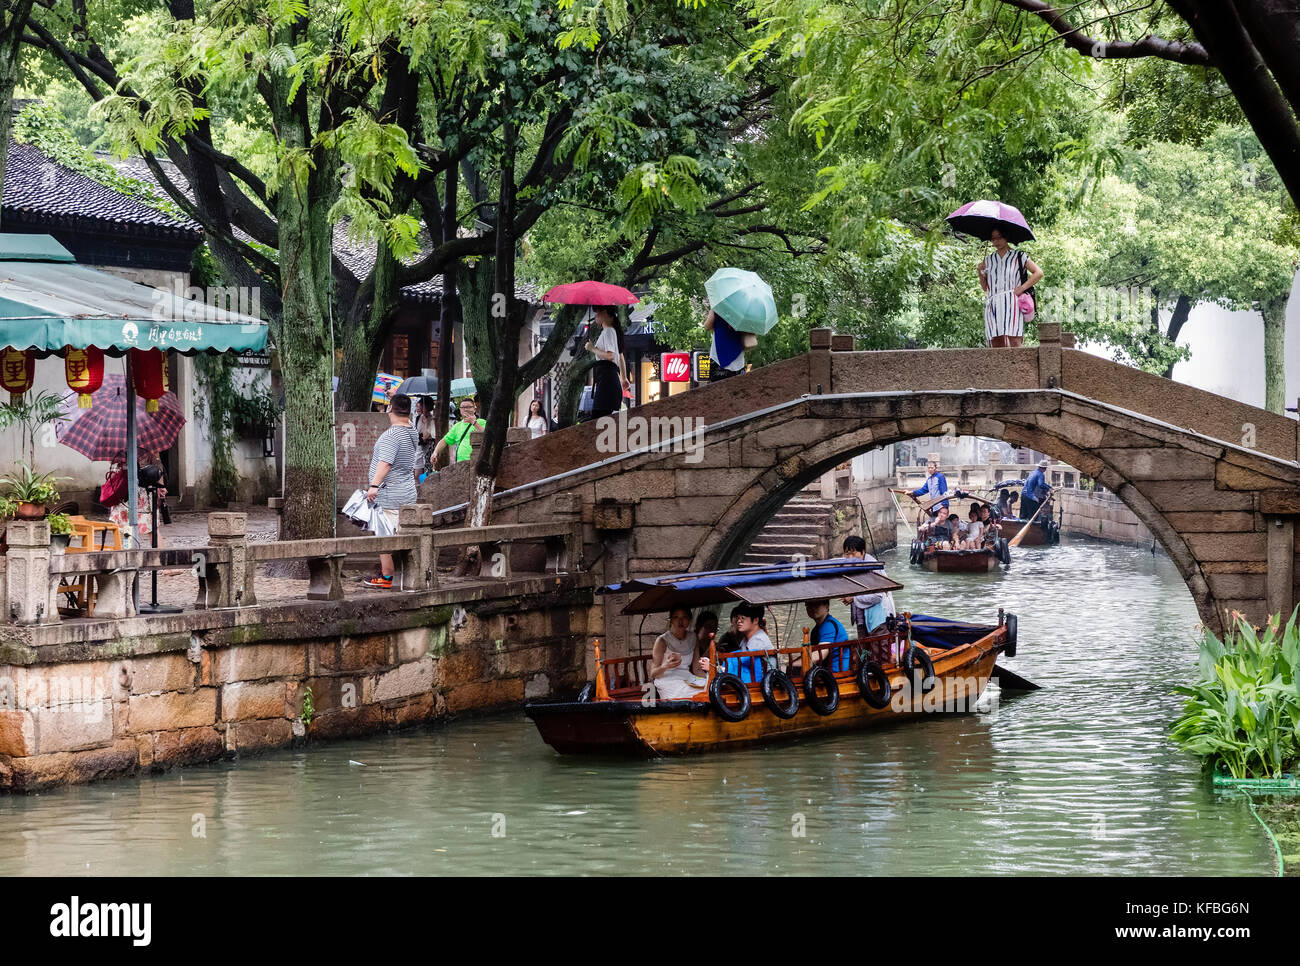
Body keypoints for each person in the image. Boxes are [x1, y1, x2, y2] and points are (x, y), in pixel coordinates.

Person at [363, 393, 420, 589]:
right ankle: (400, 574)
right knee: (399, 535)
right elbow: (406, 416)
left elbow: (385, 463)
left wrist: (374, 486)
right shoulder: (411, 430)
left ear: (389, 409)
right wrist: (396, 398)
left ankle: (387, 576)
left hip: (389, 493)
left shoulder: (392, 435)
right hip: (407, 490)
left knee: (383, 534)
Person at [978, 227, 1043, 348]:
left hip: (1012, 301)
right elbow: (984, 287)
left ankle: (1018, 366)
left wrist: (1022, 288)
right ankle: (999, 367)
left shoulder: (1019, 256)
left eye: (999, 237)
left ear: (1006, 237)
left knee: (1014, 339)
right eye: (993, 239)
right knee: (996, 341)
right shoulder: (988, 260)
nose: (996, 242)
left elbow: (1038, 273)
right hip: (993, 301)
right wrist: (980, 272)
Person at [650, 606, 707, 699]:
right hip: (667, 680)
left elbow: (696, 669)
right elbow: (653, 673)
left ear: (689, 620)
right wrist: (665, 666)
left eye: (684, 617)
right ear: (671, 620)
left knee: (710, 686)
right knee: (691, 694)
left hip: (687, 678)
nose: (680, 621)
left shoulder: (693, 637)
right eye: (676, 617)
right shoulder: (662, 640)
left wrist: (710, 677)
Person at [585, 306, 631, 419]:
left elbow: (611, 356)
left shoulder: (609, 331)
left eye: (596, 312)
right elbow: (619, 355)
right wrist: (624, 378)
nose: (595, 316)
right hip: (607, 380)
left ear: (604, 312)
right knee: (600, 420)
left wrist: (592, 348)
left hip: (607, 381)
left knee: (598, 421)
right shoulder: (610, 331)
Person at [722, 603, 775, 683]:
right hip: (749, 677)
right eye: (738, 618)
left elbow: (742, 663)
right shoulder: (745, 639)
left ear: (756, 620)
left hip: (763, 682)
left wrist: (718, 669)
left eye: (742, 618)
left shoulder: (759, 640)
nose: (739, 622)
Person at [704, 307, 756, 382]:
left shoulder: (719, 306)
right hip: (738, 360)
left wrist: (711, 313)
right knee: (737, 391)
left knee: (716, 390)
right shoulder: (745, 310)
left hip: (718, 358)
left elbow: (707, 326)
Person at [432, 397, 487, 467]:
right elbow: (445, 440)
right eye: (463, 407)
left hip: (478, 461)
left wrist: (474, 423)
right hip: (461, 464)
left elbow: (487, 436)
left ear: (474, 409)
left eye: (469, 407)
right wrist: (435, 452)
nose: (466, 409)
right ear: (460, 410)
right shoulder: (457, 426)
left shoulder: (482, 422)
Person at [805, 598, 850, 672]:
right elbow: (812, 653)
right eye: (808, 605)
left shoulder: (829, 625)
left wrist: (791, 663)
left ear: (827, 607)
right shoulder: (815, 630)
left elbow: (819, 656)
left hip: (836, 670)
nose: (812, 608)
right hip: (826, 669)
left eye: (816, 605)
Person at [413, 395, 438, 479]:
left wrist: (426, 423)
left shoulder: (433, 419)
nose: (418, 409)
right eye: (418, 406)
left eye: (421, 406)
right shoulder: (418, 418)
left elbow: (426, 436)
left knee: (428, 473)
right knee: (417, 474)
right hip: (419, 449)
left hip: (429, 449)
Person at [1020, 459, 1052, 523]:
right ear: (1044, 468)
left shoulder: (1033, 472)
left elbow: (1037, 485)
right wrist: (1049, 489)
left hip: (1023, 495)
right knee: (1033, 516)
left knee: (1023, 516)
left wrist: (1049, 488)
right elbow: (1041, 484)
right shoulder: (1040, 474)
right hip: (1030, 496)